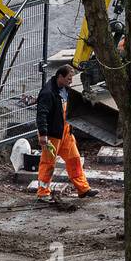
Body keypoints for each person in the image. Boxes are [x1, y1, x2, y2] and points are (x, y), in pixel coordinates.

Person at [35, 65, 97, 201]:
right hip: (52, 135)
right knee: (48, 163)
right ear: (60, 77)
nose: (71, 81)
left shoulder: (65, 89)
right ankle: (43, 192)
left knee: (74, 160)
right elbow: (42, 115)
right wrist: (43, 134)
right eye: (69, 78)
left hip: (66, 133)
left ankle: (83, 189)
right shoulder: (47, 93)